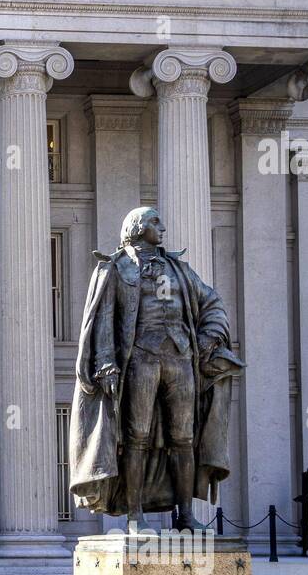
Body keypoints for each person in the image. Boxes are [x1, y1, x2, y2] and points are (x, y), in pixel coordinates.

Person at [69, 205, 243, 533]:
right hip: (140, 361)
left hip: (181, 361)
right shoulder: (115, 268)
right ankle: (135, 515)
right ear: (136, 228)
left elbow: (212, 303)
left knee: (183, 438)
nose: (162, 228)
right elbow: (103, 318)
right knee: (136, 438)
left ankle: (187, 517)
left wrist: (207, 339)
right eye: (154, 222)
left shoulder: (179, 269)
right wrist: (106, 363)